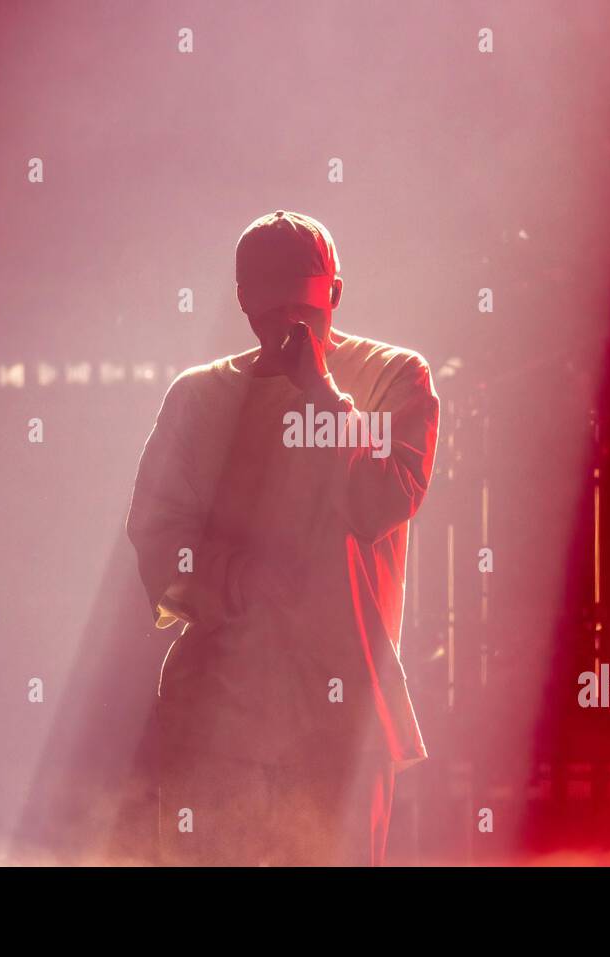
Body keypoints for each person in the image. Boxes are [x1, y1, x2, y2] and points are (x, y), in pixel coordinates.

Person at [126, 210, 439, 865]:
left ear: (336, 295)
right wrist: (235, 578)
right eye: (273, 316)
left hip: (341, 715)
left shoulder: (393, 378)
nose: (291, 332)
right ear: (243, 304)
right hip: (220, 717)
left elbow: (382, 500)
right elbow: (159, 531)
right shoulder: (199, 396)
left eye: (305, 312)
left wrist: (323, 394)